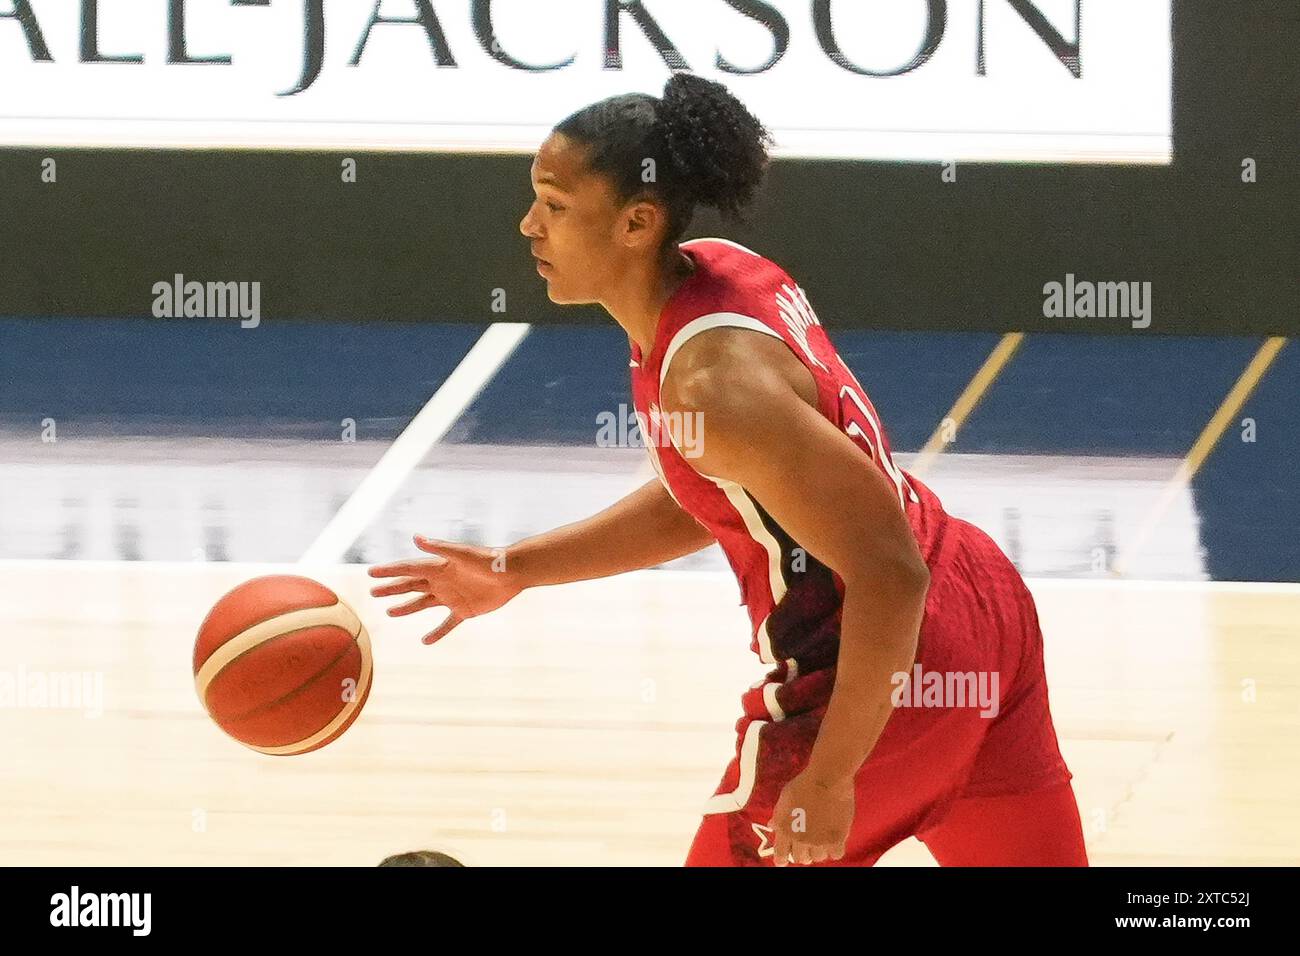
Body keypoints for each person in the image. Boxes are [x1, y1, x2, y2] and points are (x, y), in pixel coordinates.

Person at [369, 73, 1088, 867]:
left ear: (637, 222)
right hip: (976, 606)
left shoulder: (712, 387)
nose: (529, 225)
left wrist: (832, 774)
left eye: (556, 205)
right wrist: (519, 569)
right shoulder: (719, 274)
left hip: (881, 660)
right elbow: (721, 495)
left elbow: (889, 574)